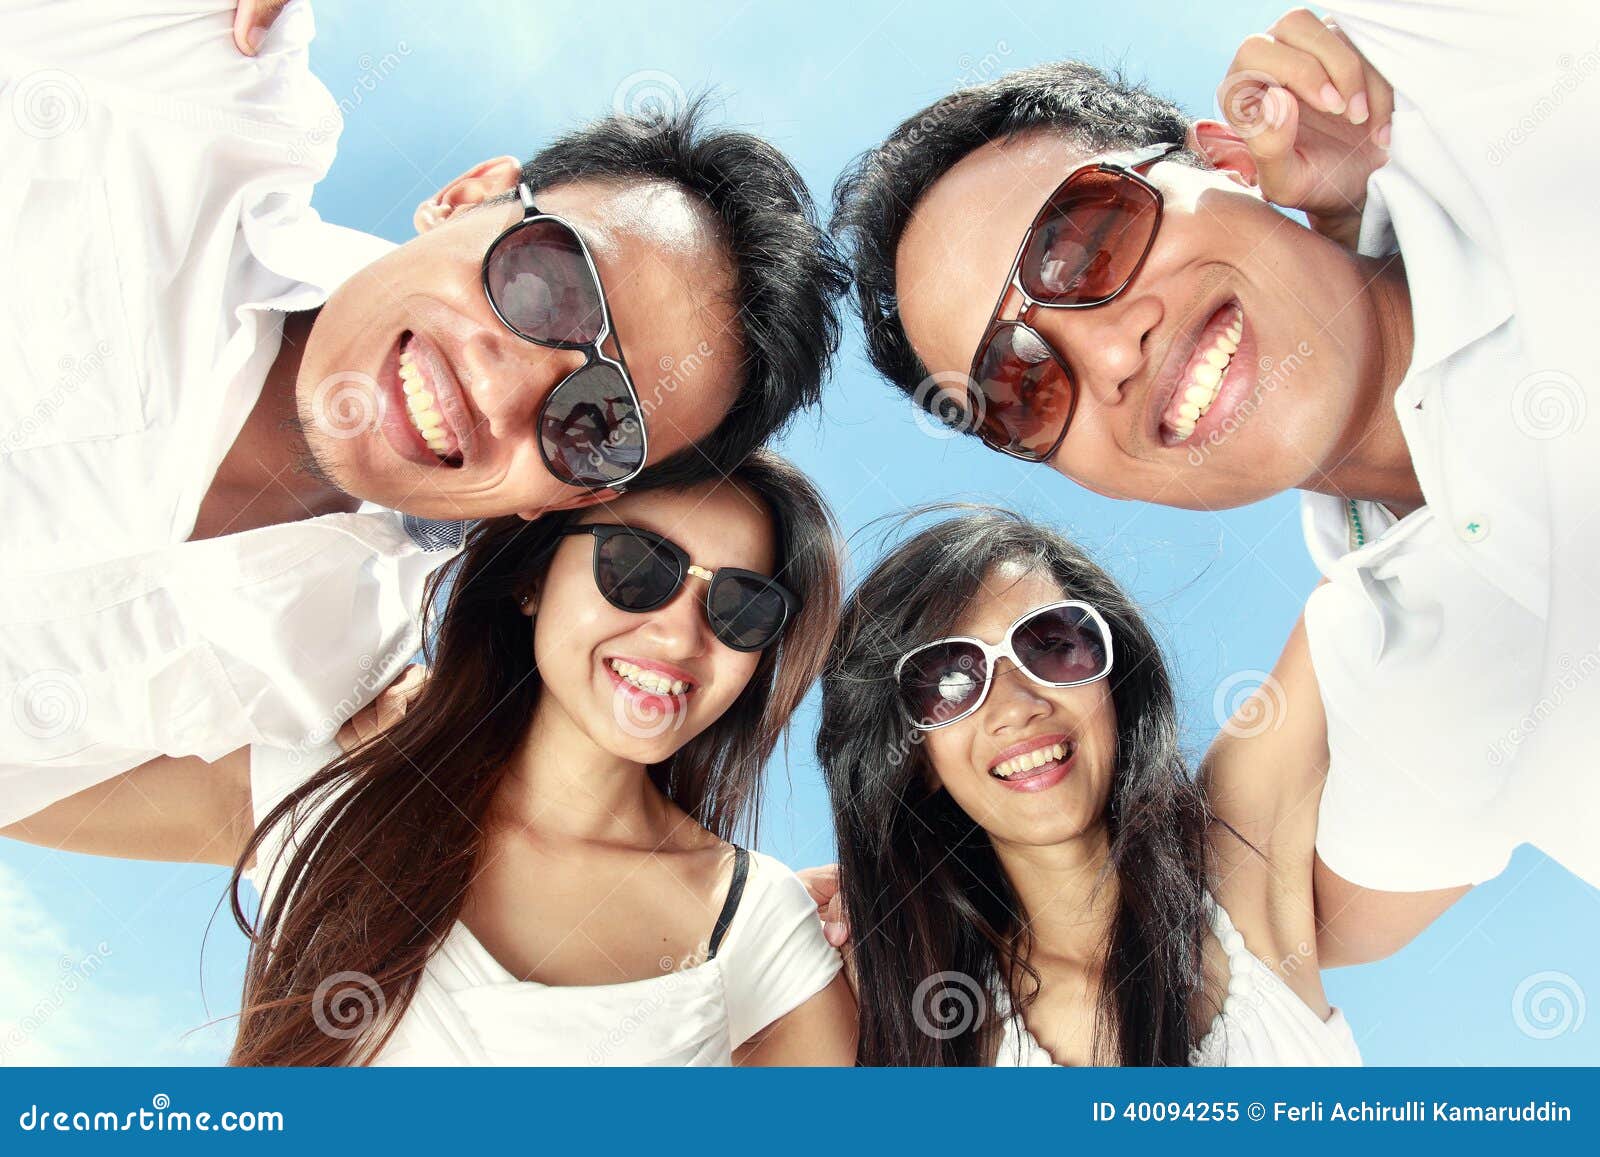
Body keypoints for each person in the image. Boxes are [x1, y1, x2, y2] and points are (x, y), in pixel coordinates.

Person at [829, 4, 1600, 950]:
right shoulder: (1409, 661)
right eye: (1023, 384)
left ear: (1226, 159)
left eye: (1085, 241)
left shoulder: (1503, 85)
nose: (1110, 350)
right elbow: (1289, 922)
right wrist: (909, 902)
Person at [0, 0, 846, 830]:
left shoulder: (328, 667)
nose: (506, 388)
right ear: (466, 196)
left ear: (566, 499)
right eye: (546, 281)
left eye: (596, 424)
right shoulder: (166, 84)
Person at [3, 450, 857, 1066]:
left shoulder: (759, 922)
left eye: (745, 607)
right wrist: (333, 664)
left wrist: (910, 925)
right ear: (530, 578)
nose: (679, 632)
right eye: (634, 564)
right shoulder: (333, 786)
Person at [809, 508, 1358, 1066]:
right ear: (918, 759)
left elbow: (1369, 561)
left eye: (1051, 646)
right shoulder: (910, 1019)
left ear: (1111, 677)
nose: (1018, 707)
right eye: (951, 682)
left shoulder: (1241, 852)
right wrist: (769, 911)